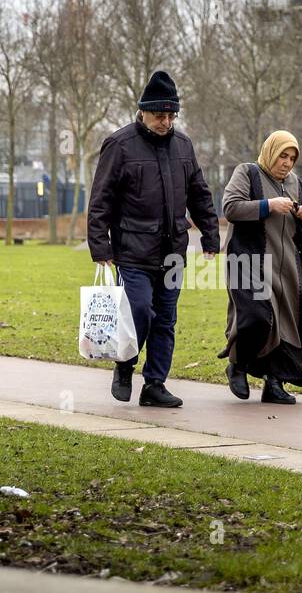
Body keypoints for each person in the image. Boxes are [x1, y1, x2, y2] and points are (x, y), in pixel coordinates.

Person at [87, 70, 220, 408]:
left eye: (171, 115)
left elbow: (199, 194)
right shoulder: (119, 145)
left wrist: (210, 234)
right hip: (132, 251)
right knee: (139, 312)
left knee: (166, 319)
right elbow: (100, 199)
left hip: (173, 251)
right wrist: (100, 246)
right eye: (160, 115)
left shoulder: (184, 146)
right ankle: (125, 363)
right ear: (143, 111)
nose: (166, 121)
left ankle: (155, 385)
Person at [219, 130, 302, 404]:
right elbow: (231, 208)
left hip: (287, 265)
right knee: (256, 317)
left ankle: (275, 383)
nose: (287, 163)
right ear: (270, 152)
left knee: (289, 323)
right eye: (283, 156)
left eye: (292, 158)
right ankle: (237, 365)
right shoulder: (247, 173)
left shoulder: (295, 183)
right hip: (248, 259)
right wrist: (268, 205)